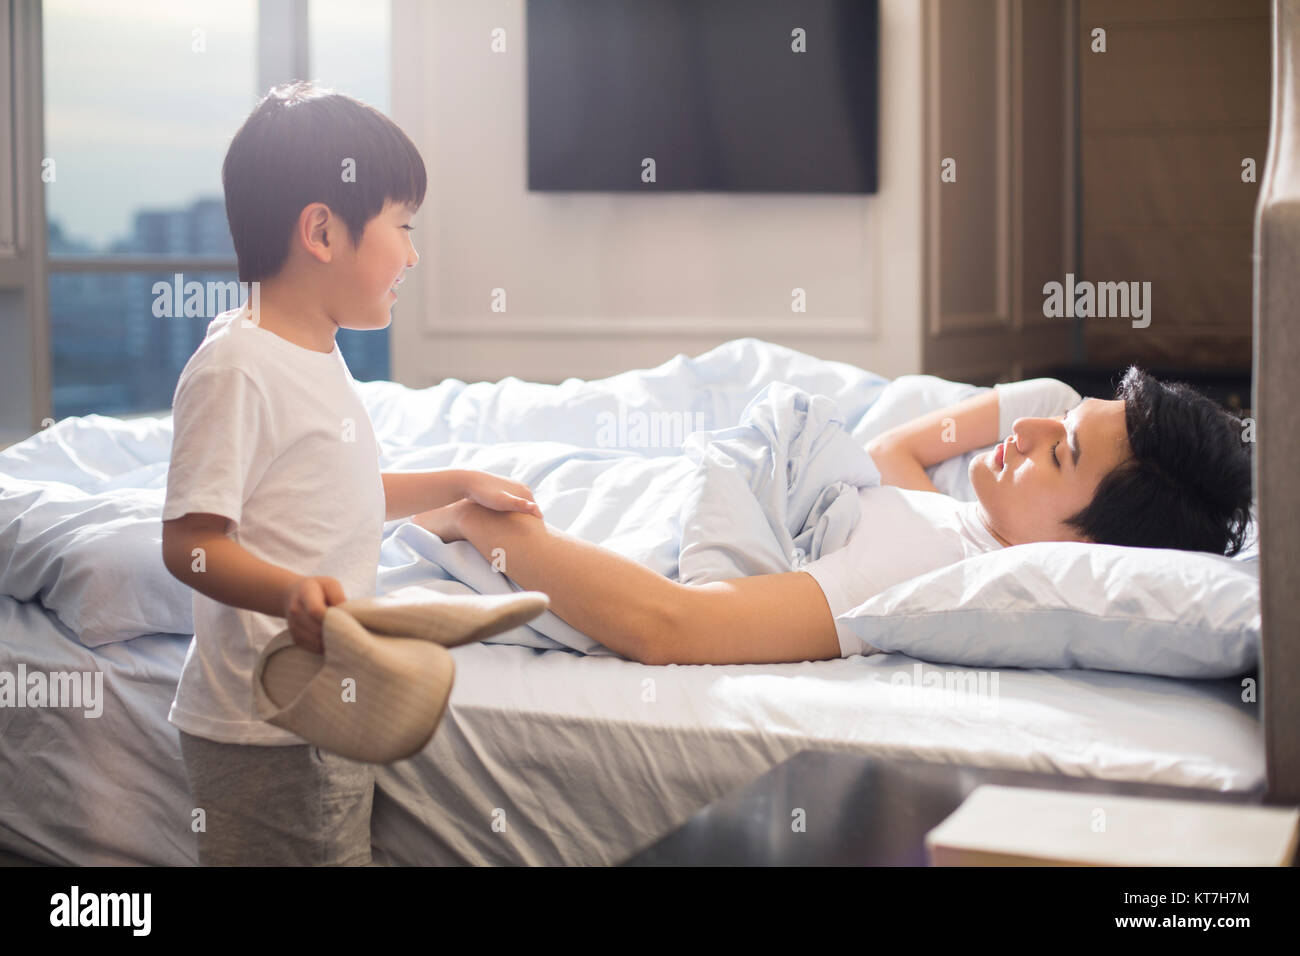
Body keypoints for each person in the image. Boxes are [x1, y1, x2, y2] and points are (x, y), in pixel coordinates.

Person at [160, 82, 541, 866]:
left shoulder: (314, 350)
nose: (413, 251)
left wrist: (457, 480)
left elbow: (336, 489)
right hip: (263, 722)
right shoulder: (236, 366)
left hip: (329, 701)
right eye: (402, 226)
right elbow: (189, 544)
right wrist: (288, 592)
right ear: (323, 232)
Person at [413, 369, 1254, 667]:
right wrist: (1031, 411)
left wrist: (482, 527)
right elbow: (895, 453)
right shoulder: (957, 528)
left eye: (1060, 452)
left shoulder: (919, 571)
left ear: (1090, 549)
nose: (1030, 433)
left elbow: (669, 625)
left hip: (535, 515)